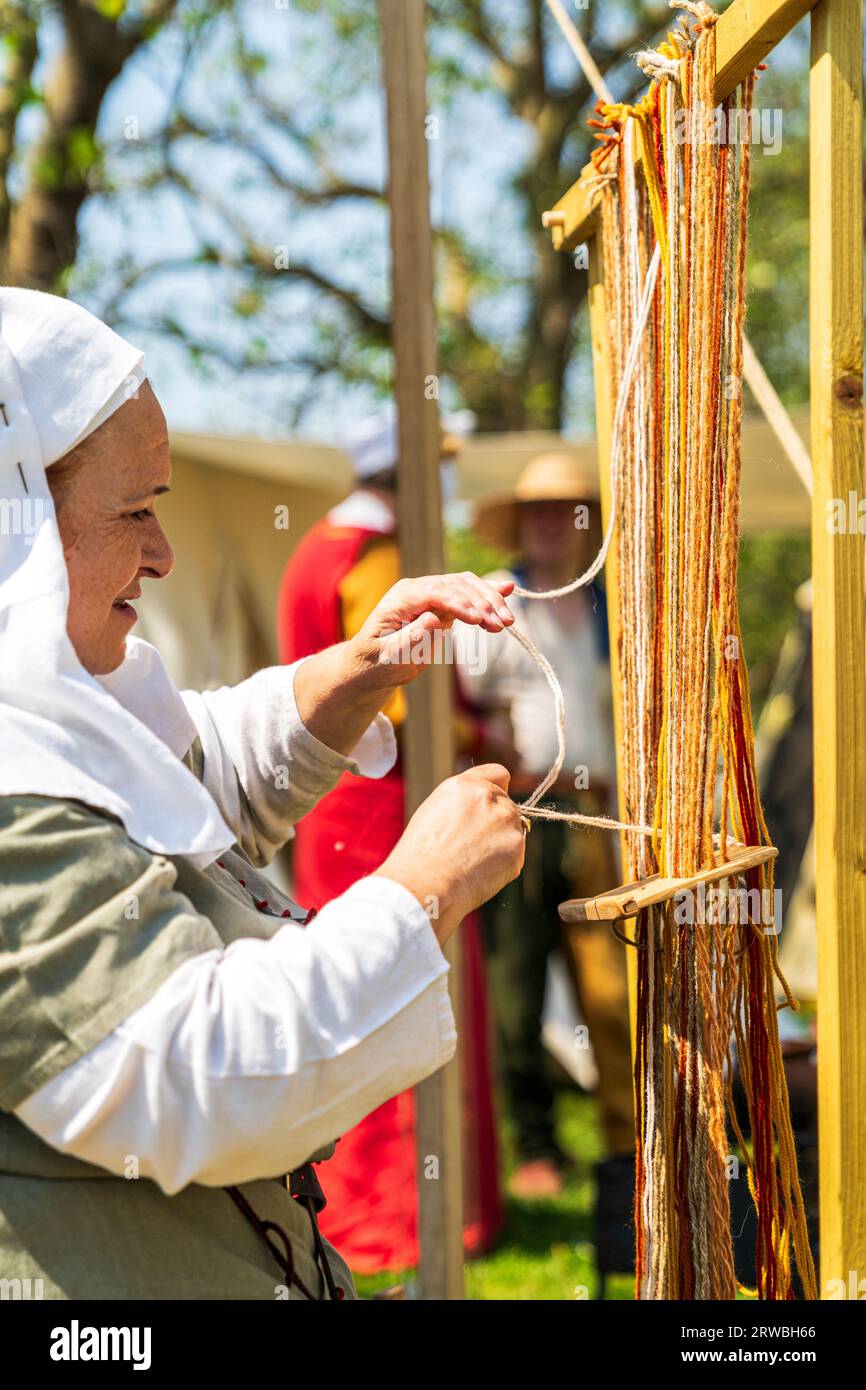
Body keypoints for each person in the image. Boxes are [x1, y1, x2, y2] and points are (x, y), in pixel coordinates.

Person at [0, 288, 525, 1300]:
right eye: (135, 510)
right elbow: (194, 1075)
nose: (161, 554)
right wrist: (417, 893)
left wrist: (352, 675)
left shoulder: (46, 713)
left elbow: (171, 785)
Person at [278, 410, 503, 1273]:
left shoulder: (317, 548)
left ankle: (384, 1208)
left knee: (362, 977)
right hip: (384, 814)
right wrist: (486, 742)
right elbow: (409, 702)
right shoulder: (371, 559)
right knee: (403, 973)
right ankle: (398, 1217)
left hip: (339, 812)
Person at [454, 452, 635, 1222]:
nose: (551, 524)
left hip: (602, 817)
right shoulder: (499, 604)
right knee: (516, 988)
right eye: (538, 512)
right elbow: (464, 709)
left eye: (566, 511)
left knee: (614, 988)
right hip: (527, 814)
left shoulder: (612, 604)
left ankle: (628, 1145)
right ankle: (534, 1148)